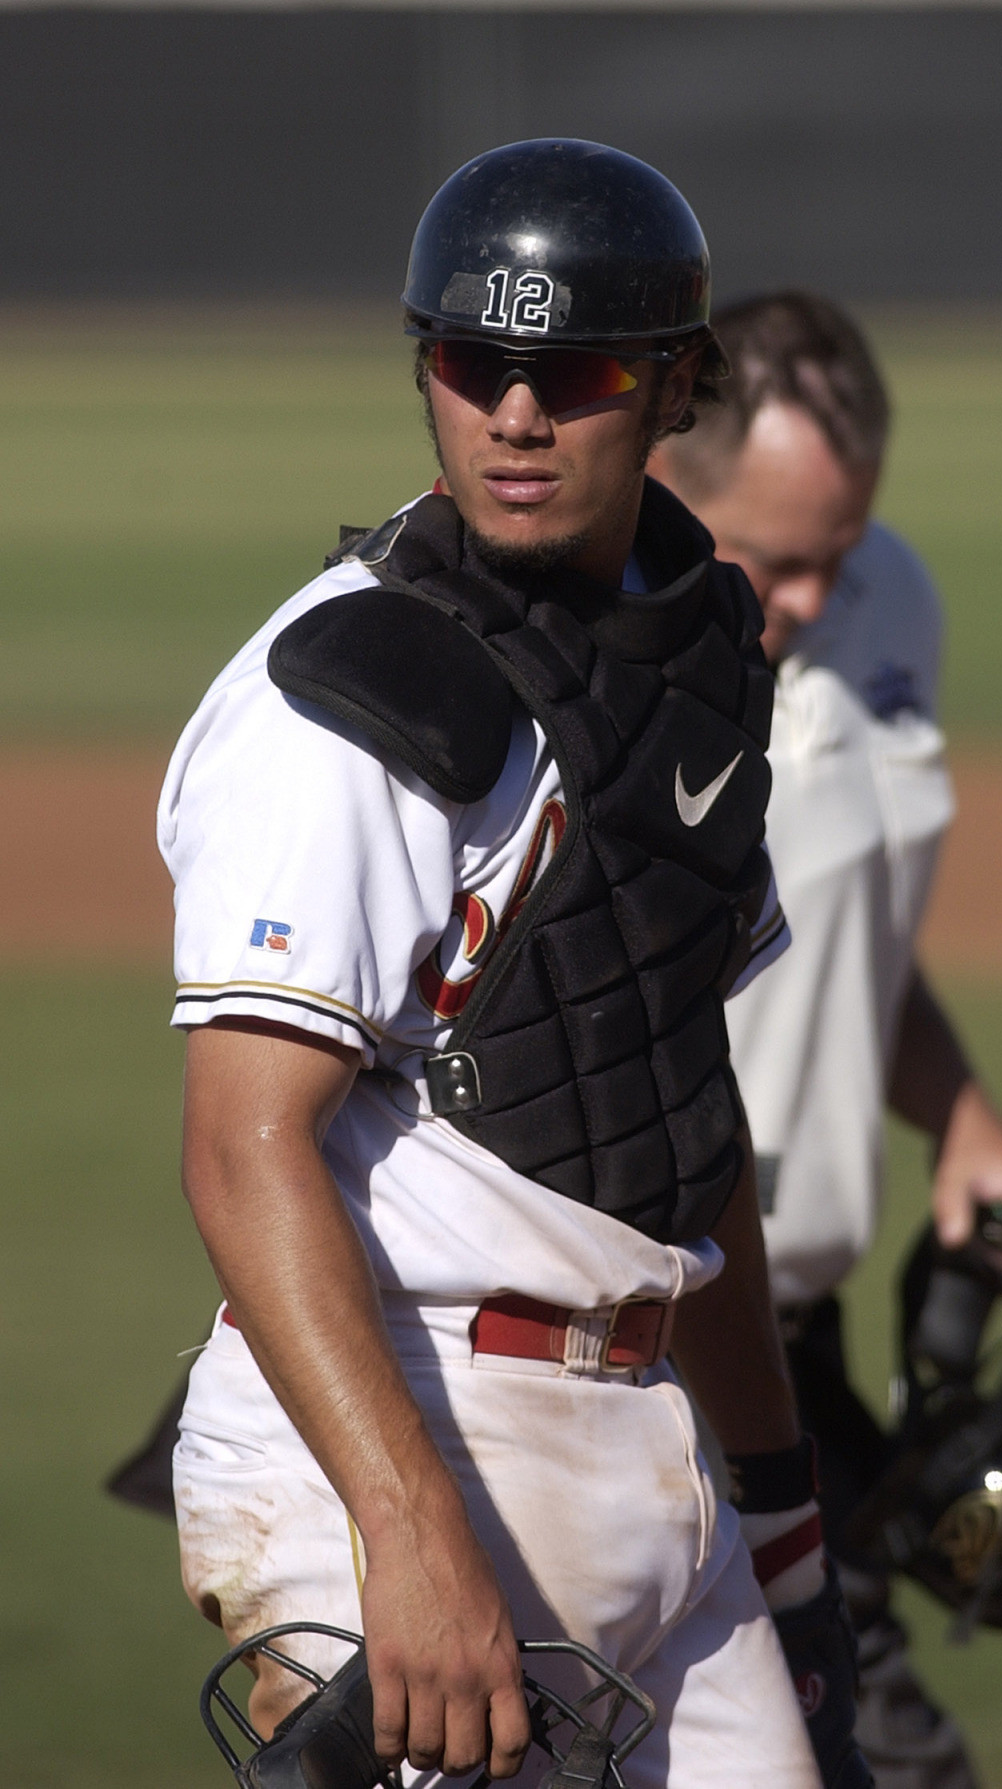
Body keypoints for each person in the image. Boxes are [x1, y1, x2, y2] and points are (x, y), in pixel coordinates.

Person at [159, 144, 870, 1789]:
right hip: (400, 1421)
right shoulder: (347, 692)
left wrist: (782, 1516)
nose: (516, 415)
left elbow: (677, 1115)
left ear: (678, 382)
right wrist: (402, 1535)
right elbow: (238, 1141)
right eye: (475, 366)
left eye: (575, 371)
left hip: (648, 1436)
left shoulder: (699, 655)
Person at [651, 293, 1002, 1789]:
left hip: (790, 1343)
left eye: (845, 547)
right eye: (781, 554)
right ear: (665, 476)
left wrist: (959, 1108)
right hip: (628, 1349)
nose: (820, 595)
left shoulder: (896, 598)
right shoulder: (590, 671)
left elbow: (852, 948)